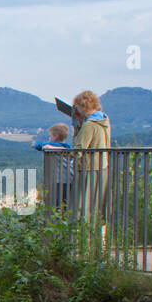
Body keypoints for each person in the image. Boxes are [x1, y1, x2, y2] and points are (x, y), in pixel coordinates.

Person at [70, 90, 111, 224]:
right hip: (102, 167)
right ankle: (97, 237)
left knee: (83, 206)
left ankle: (82, 239)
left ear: (81, 106)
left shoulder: (89, 125)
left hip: (89, 169)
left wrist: (75, 126)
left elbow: (77, 149)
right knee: (97, 207)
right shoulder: (103, 120)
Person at [34, 122, 72, 206]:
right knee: (66, 202)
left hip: (58, 179)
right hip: (69, 178)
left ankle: (56, 218)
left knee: (56, 203)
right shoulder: (68, 147)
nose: (49, 138)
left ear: (56, 136)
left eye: (50, 136)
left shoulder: (51, 145)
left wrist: (34, 144)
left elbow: (38, 145)